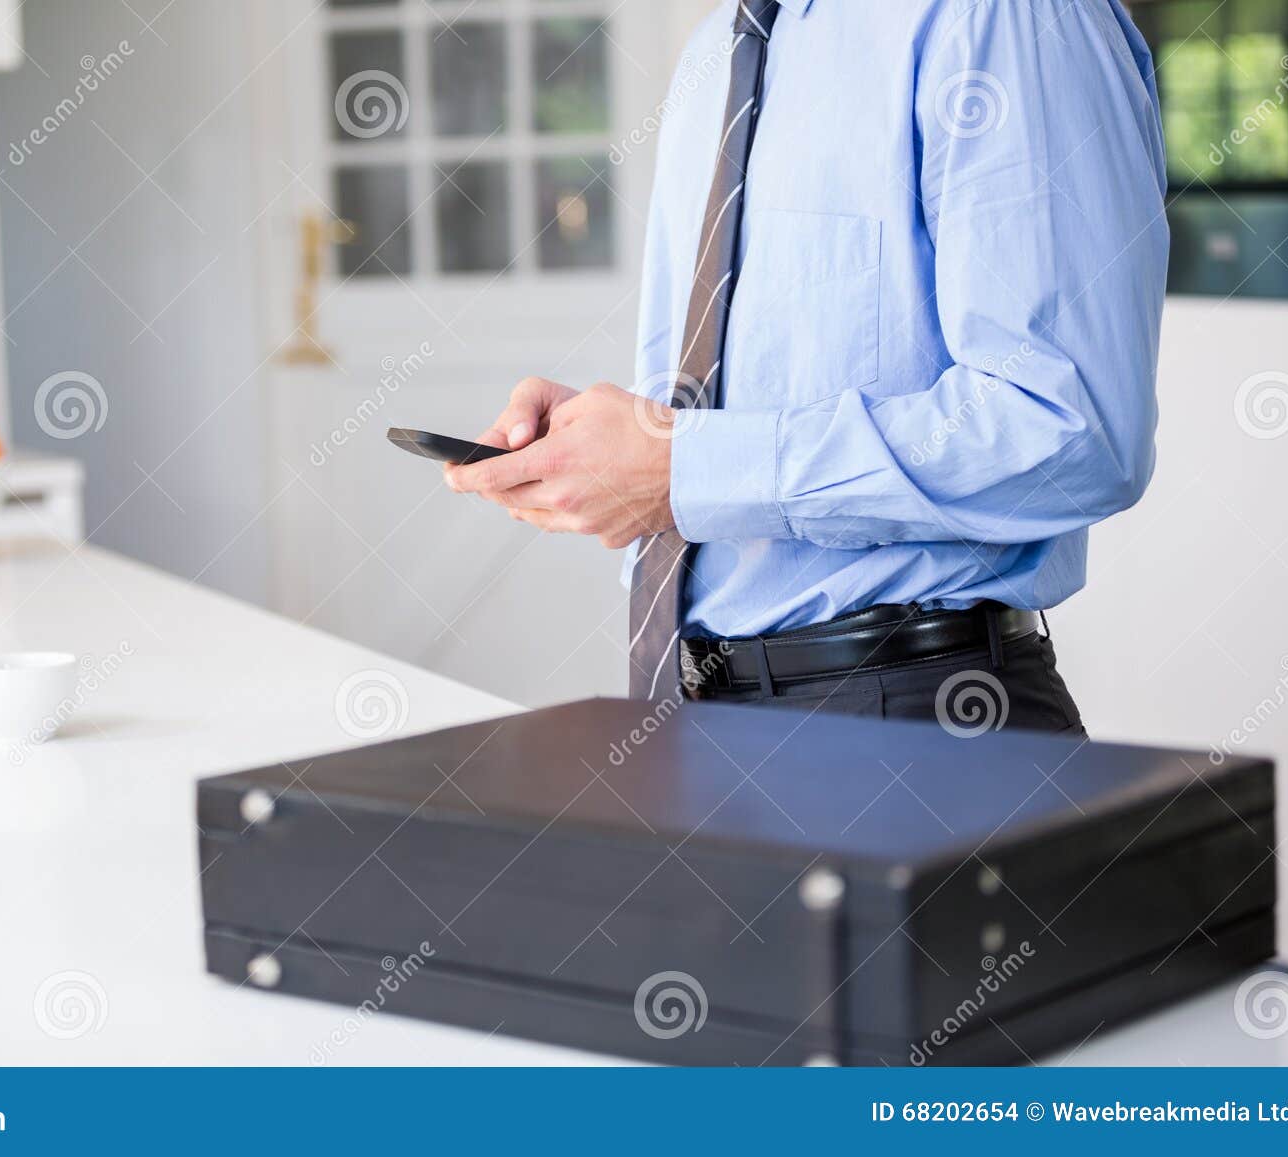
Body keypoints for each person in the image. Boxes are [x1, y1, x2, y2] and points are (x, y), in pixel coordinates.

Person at [446, 0, 1168, 735]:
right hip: (696, 712)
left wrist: (685, 469)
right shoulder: (712, 54)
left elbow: (1074, 428)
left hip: (919, 722)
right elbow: (754, 406)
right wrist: (619, 448)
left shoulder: (1000, 17)